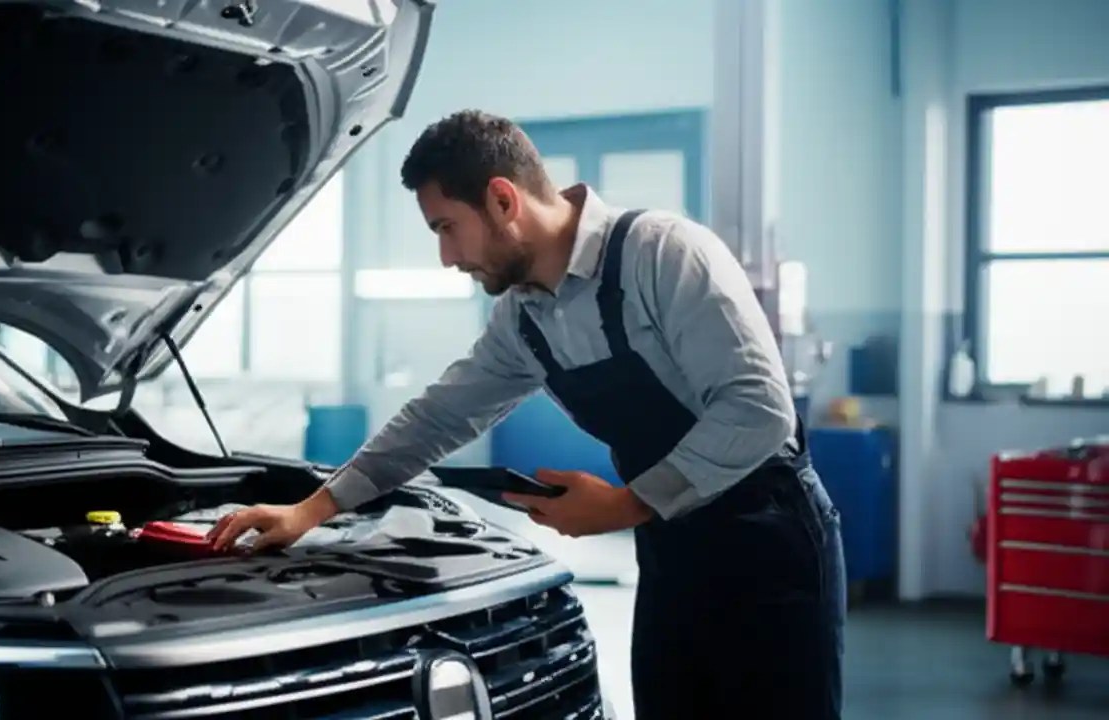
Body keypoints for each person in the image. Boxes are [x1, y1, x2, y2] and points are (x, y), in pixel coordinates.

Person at [208, 109, 846, 719]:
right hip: (674, 548)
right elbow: (438, 417)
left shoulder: (663, 253)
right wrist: (312, 509)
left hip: (770, 541)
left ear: (503, 200)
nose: (447, 258)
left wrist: (628, 504)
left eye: (445, 228)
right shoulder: (522, 316)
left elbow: (760, 410)